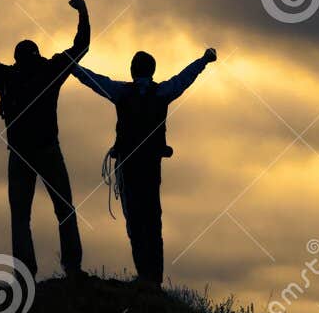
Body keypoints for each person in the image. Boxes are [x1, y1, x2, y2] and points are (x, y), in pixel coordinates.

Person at [0, 0, 90, 278]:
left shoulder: (7, 77)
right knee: (64, 209)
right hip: (47, 151)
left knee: (20, 218)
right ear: (37, 55)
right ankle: (73, 268)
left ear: (16, 58)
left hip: (20, 155)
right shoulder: (49, 71)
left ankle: (25, 272)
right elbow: (82, 46)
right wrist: (82, 11)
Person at [71, 47, 217, 288]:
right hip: (151, 167)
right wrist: (204, 60)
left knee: (135, 220)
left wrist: (73, 67)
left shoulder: (121, 92)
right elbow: (184, 77)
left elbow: (94, 81)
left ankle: (145, 276)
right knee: (152, 219)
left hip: (128, 166)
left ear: (132, 71)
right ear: (153, 70)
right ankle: (153, 280)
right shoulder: (161, 93)